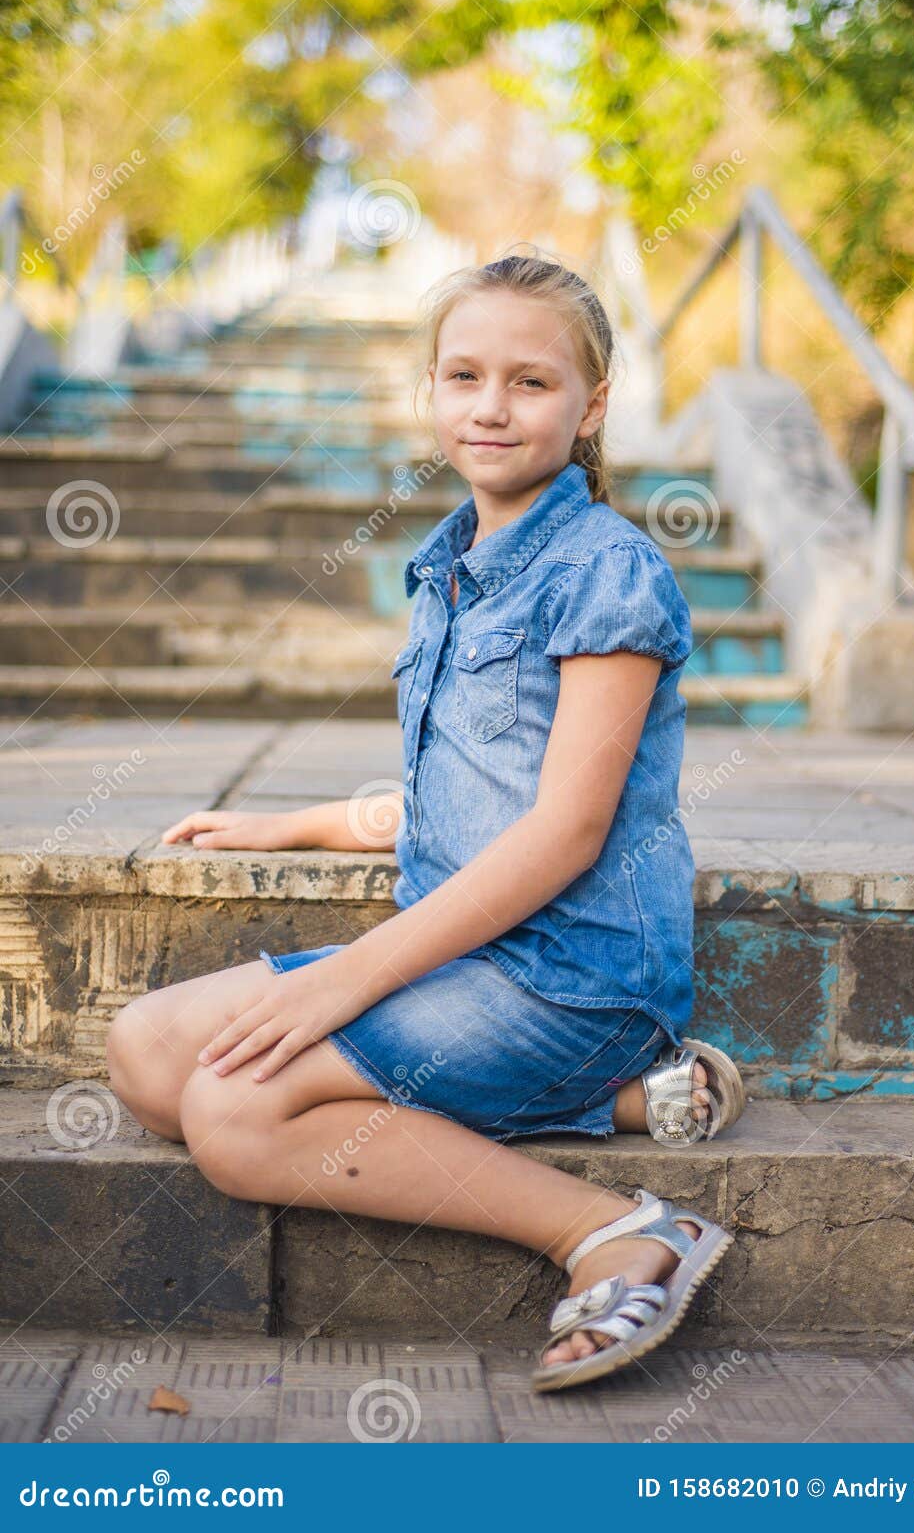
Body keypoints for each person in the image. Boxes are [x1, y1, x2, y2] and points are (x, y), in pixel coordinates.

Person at [106, 251, 742, 1391]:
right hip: (462, 958)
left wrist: (344, 979)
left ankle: (614, 1228)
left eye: (532, 382)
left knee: (235, 1116)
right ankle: (619, 1102)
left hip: (570, 977)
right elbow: (464, 797)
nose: (491, 405)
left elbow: (561, 832)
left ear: (593, 406)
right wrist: (291, 825)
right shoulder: (448, 566)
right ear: (433, 393)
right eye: (464, 375)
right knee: (145, 1052)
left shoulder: (608, 573)